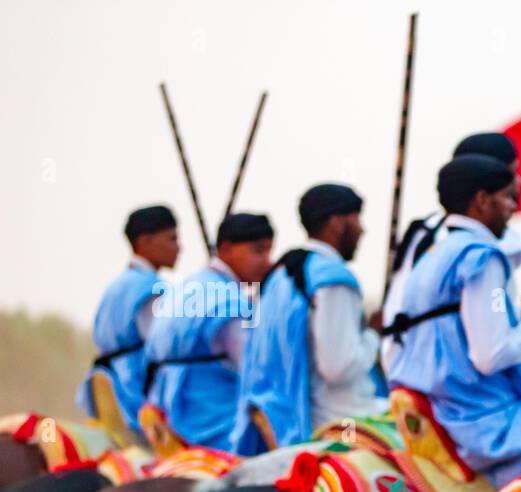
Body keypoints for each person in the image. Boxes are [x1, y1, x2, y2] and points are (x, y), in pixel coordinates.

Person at [385, 155, 521, 486]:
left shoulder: (433, 254)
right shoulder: (483, 259)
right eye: (507, 197)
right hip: (479, 419)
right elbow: (491, 354)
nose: (513, 207)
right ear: (482, 200)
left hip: (438, 403)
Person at [229, 184, 387, 453]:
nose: (362, 230)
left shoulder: (282, 274)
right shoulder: (333, 278)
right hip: (343, 424)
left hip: (290, 418)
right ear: (337, 223)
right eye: (357, 219)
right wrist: (373, 334)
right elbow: (338, 368)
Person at [381, 132, 521, 371]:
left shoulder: (433, 244)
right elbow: (491, 349)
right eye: (510, 177)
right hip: (460, 386)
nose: (518, 184)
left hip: (410, 373)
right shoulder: (483, 256)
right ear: (482, 198)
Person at [143, 212, 274, 450]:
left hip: (166, 416)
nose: (267, 262)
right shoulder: (228, 302)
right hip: (214, 424)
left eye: (268, 251)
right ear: (226, 249)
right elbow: (256, 371)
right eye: (258, 251)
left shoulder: (186, 287)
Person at [77, 205, 180, 433]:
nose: (179, 247)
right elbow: (164, 349)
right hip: (135, 392)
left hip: (109, 383)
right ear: (145, 242)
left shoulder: (116, 287)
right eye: (172, 239)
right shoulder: (153, 290)